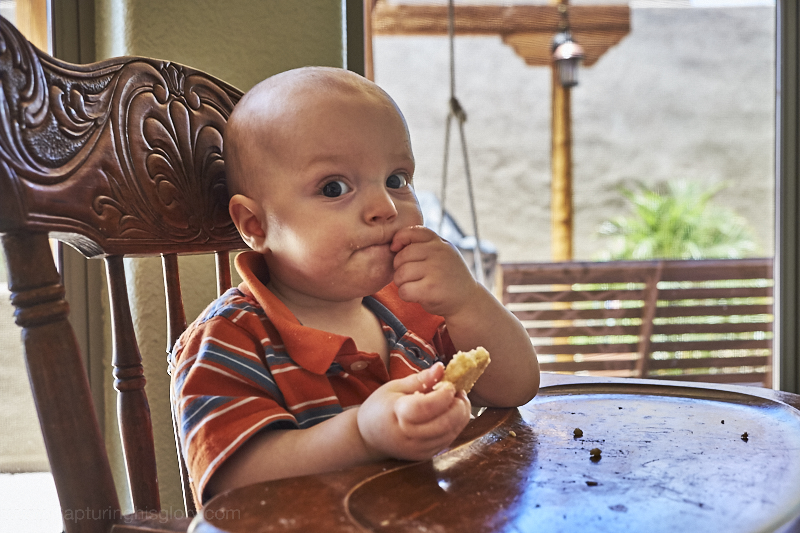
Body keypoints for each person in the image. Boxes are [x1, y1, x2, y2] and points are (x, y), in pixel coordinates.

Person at [169, 66, 540, 507]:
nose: (384, 206)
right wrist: (363, 434)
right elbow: (234, 484)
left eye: (396, 180)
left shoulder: (412, 310)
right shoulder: (229, 340)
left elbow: (516, 387)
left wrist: (467, 301)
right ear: (256, 224)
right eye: (334, 187)